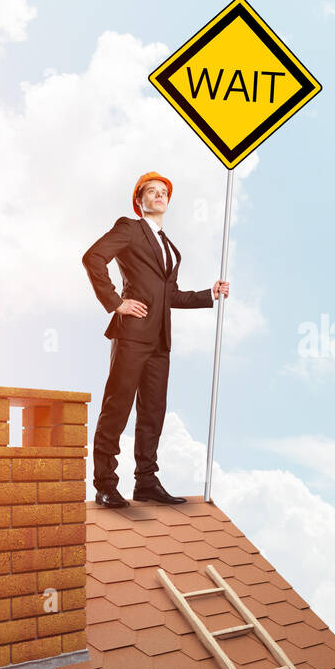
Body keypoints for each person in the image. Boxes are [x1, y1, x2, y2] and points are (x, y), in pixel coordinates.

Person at [82, 171, 229, 506]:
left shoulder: (169, 246)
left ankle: (145, 482)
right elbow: (93, 258)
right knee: (117, 408)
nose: (159, 195)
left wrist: (211, 293)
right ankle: (105, 484)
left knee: (153, 412)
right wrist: (116, 302)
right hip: (132, 335)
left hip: (161, 341)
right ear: (140, 200)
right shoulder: (129, 229)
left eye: (164, 192)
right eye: (152, 191)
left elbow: (170, 295)